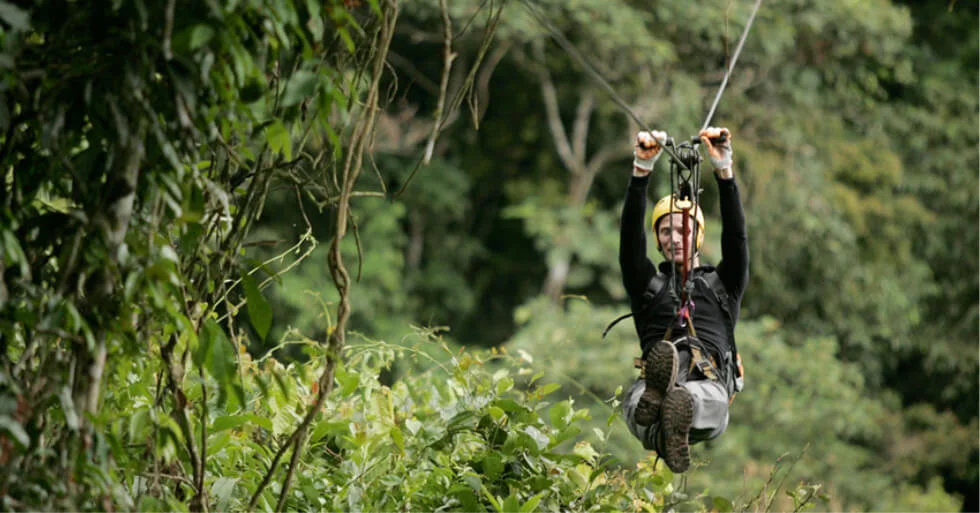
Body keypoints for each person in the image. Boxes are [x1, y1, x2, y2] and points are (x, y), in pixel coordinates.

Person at [619, 127, 749, 473]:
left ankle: (677, 406)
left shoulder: (721, 286)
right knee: (636, 405)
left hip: (706, 387)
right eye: (665, 231)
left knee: (712, 404)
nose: (674, 237)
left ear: (698, 238)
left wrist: (724, 169)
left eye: (682, 229)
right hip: (652, 387)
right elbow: (629, 245)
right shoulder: (649, 286)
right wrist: (640, 171)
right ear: (657, 241)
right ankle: (662, 400)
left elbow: (737, 239)